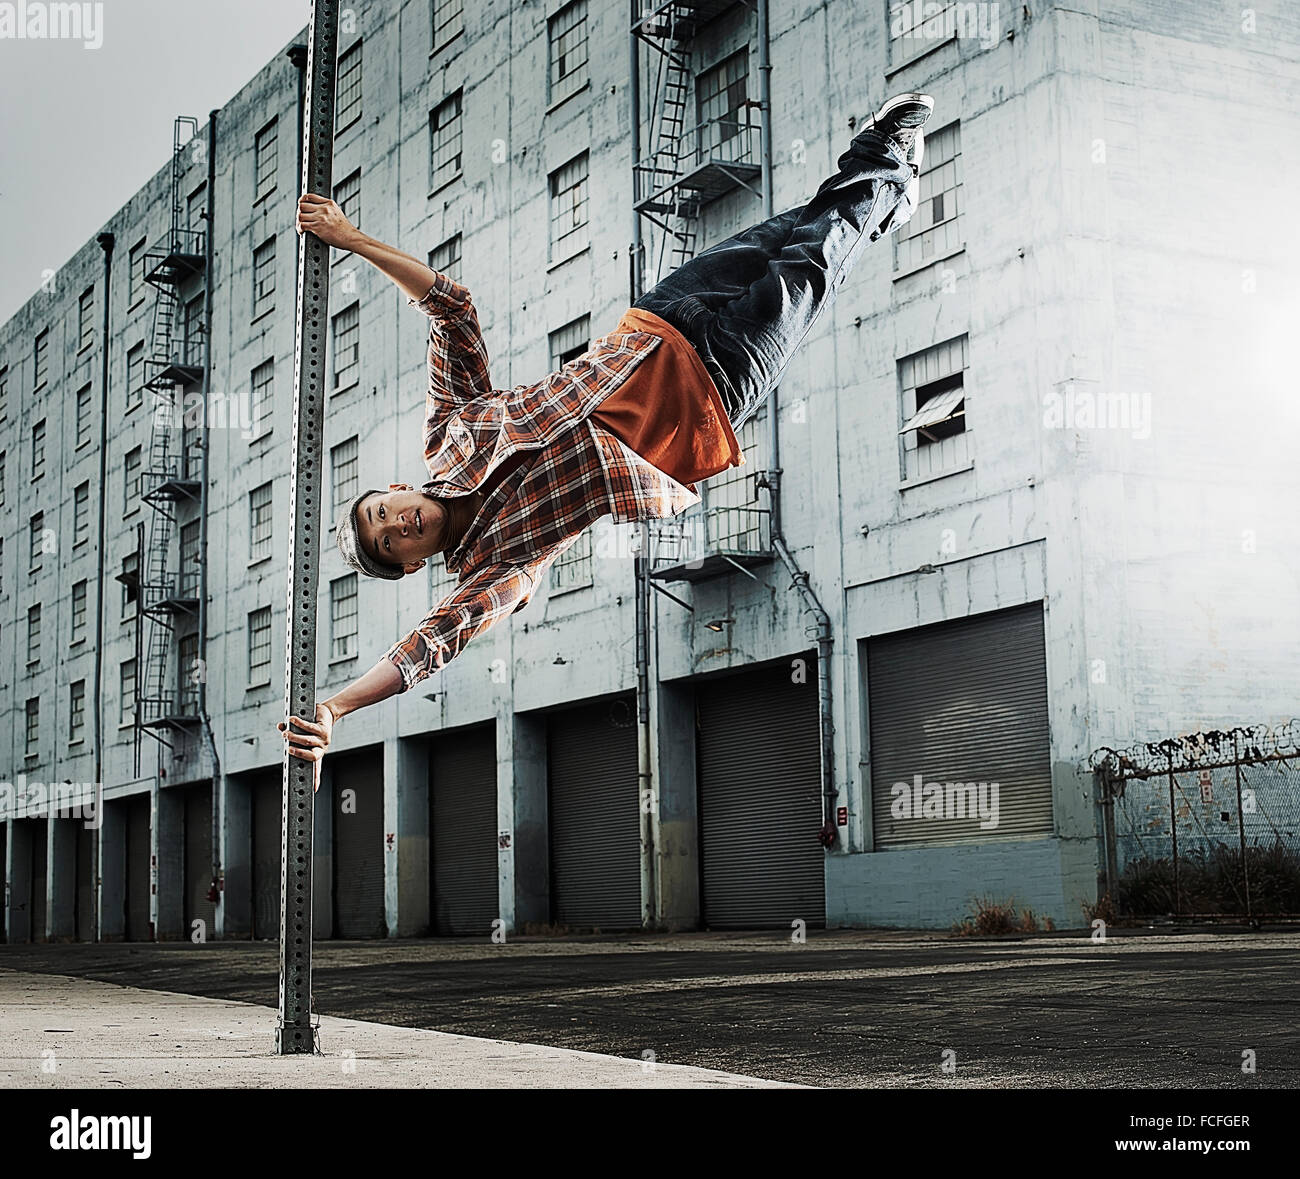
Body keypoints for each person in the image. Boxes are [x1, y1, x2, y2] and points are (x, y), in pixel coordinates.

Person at [280, 92, 935, 787]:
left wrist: (350, 237)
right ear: (410, 563)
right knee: (812, 263)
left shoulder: (452, 431)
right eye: (392, 541)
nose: (399, 523)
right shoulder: (497, 571)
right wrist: (337, 709)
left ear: (397, 489)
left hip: (655, 325)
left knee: (793, 229)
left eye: (385, 510)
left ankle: (885, 195)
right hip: (708, 397)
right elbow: (427, 648)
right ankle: (885, 162)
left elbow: (452, 311)